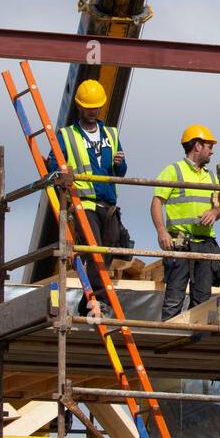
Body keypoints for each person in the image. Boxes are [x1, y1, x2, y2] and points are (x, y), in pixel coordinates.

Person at [49, 79, 131, 316]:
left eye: (97, 107)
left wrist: (120, 164)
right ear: (80, 107)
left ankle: (89, 303)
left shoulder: (111, 134)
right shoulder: (66, 135)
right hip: (83, 202)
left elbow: (120, 171)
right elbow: (54, 167)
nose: (93, 111)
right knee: (94, 251)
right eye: (89, 107)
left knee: (106, 253)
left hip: (109, 204)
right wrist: (61, 173)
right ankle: (100, 301)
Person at [152, 124, 220, 320]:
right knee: (174, 297)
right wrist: (161, 231)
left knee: (202, 300)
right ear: (197, 146)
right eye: (209, 146)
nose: (212, 150)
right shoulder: (173, 171)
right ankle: (168, 337)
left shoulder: (211, 176)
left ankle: (197, 342)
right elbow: (157, 202)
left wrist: (214, 212)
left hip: (205, 245)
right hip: (180, 244)